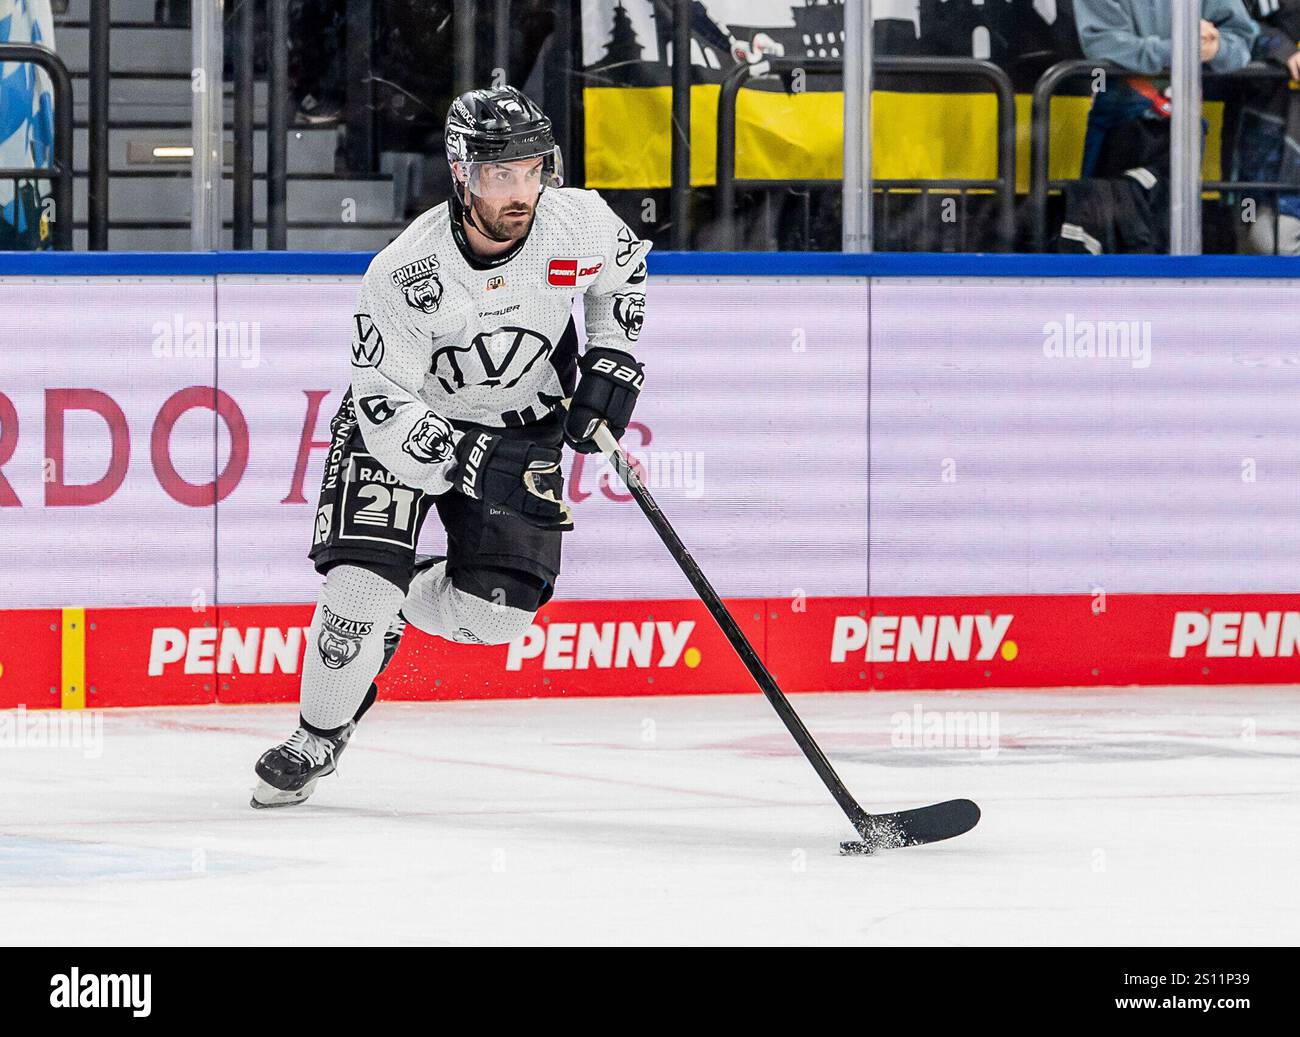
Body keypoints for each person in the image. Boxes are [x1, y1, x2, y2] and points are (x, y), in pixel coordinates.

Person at [251, 84, 651, 808]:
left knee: (495, 616)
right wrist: (470, 460)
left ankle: (400, 604)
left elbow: (623, 267)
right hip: (399, 426)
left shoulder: (578, 222)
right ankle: (318, 732)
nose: (523, 191)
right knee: (356, 591)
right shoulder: (405, 272)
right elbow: (381, 402)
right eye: (503, 174)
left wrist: (613, 356)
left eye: (534, 170)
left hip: (521, 423)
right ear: (463, 174)